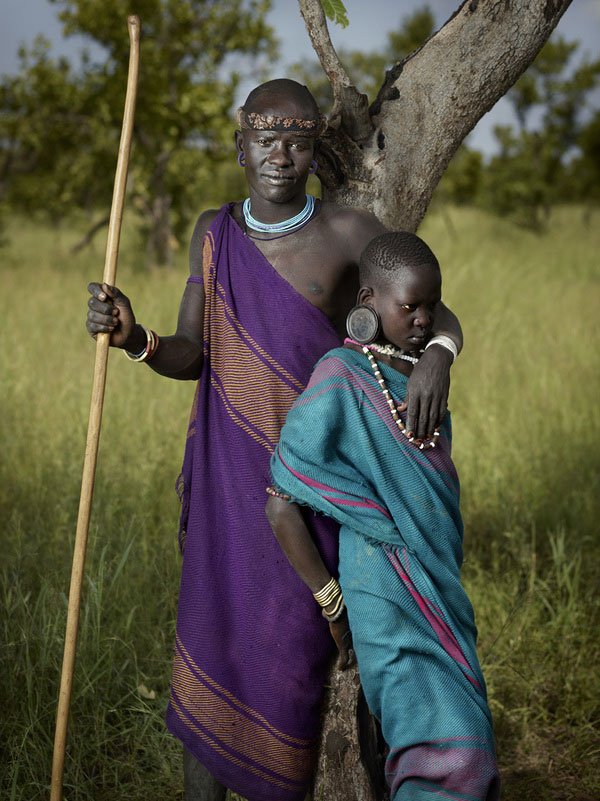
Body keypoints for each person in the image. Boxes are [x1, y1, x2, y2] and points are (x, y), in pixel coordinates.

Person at [85, 80, 463, 801]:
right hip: (228, 485)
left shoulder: (351, 235)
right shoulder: (212, 230)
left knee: (302, 663)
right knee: (213, 646)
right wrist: (136, 338)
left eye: (296, 139)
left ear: (315, 148)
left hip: (317, 487)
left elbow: (431, 312)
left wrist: (440, 353)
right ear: (240, 146)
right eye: (266, 138)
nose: (281, 155)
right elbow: (195, 353)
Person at [266, 232, 500, 801]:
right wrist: (331, 603)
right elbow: (280, 502)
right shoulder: (340, 377)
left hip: (439, 581)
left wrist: (442, 352)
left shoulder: (422, 368)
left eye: (430, 306)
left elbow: (441, 324)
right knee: (439, 749)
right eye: (409, 307)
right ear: (369, 299)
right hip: (380, 588)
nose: (423, 319)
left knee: (463, 734)